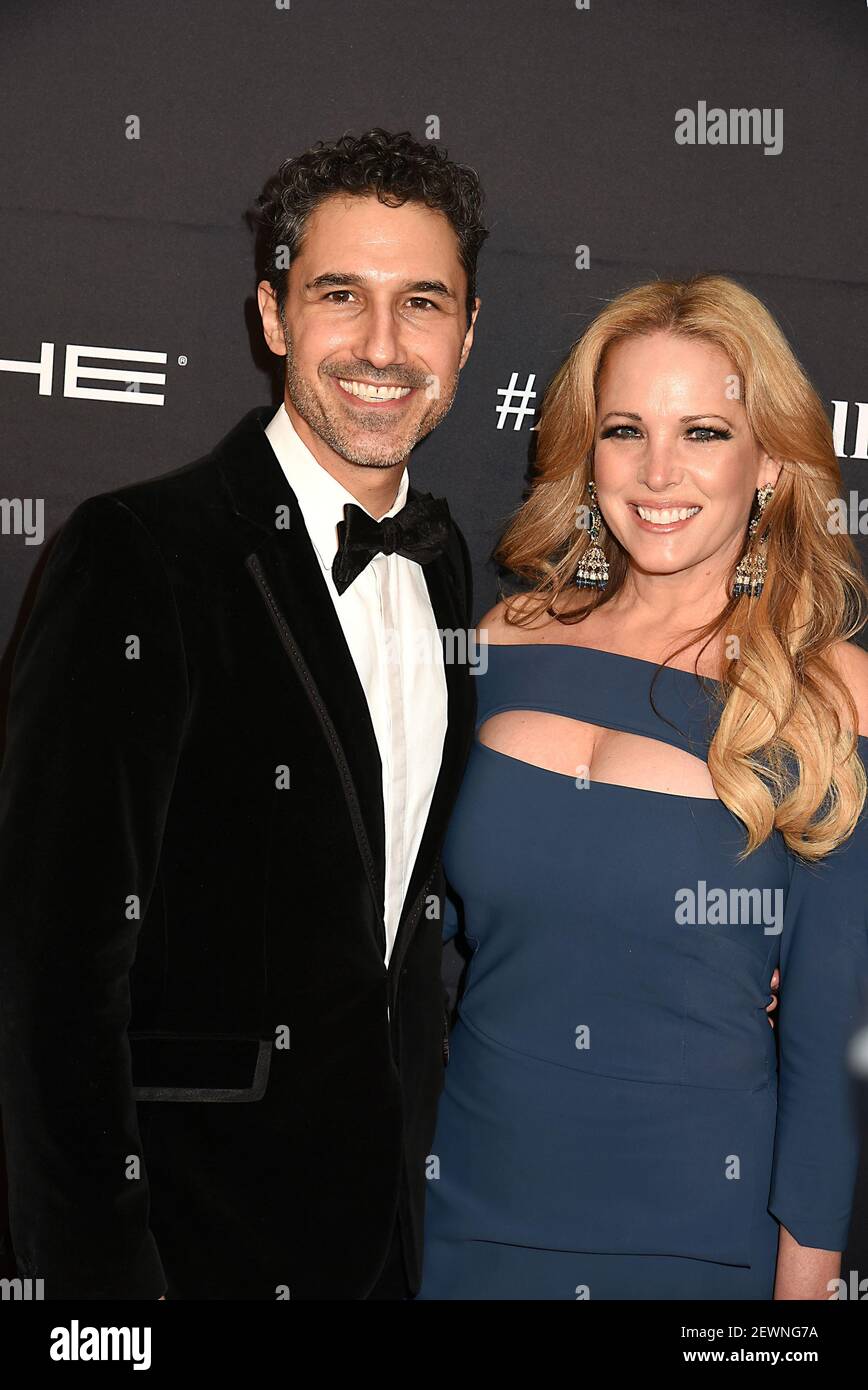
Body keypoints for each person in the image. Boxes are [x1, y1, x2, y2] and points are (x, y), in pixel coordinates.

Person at [0, 128, 485, 1299]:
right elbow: (47, 976)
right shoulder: (139, 555)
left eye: (421, 302)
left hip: (379, 1235)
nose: (381, 345)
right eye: (339, 295)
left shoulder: (446, 564)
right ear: (273, 315)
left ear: (466, 336)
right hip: (183, 1237)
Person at [418, 274, 868, 1301]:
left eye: (704, 431)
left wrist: (805, 1282)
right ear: (586, 453)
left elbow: (831, 1023)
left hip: (697, 1228)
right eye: (625, 429)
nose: (660, 470)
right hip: (461, 1195)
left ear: (768, 464)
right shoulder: (501, 642)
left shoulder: (829, 686)